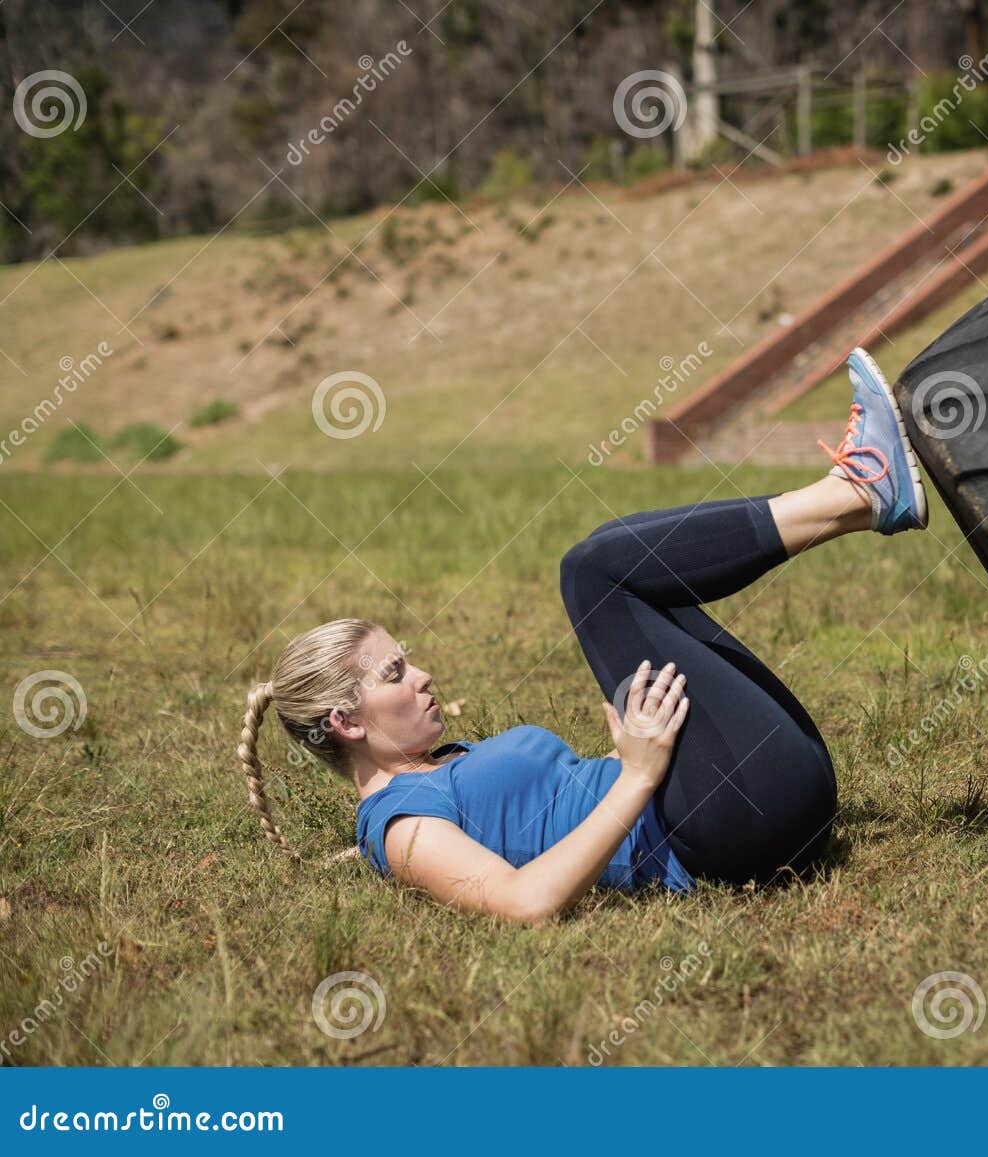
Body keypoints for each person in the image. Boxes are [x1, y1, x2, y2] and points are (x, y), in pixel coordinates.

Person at [235, 349, 928, 924]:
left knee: (623, 559)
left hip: (749, 796)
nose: (423, 676)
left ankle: (860, 499)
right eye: (394, 674)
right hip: (727, 829)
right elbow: (524, 903)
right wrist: (638, 774)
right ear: (346, 721)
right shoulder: (399, 826)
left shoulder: (432, 771)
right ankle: (856, 492)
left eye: (407, 661)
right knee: (592, 573)